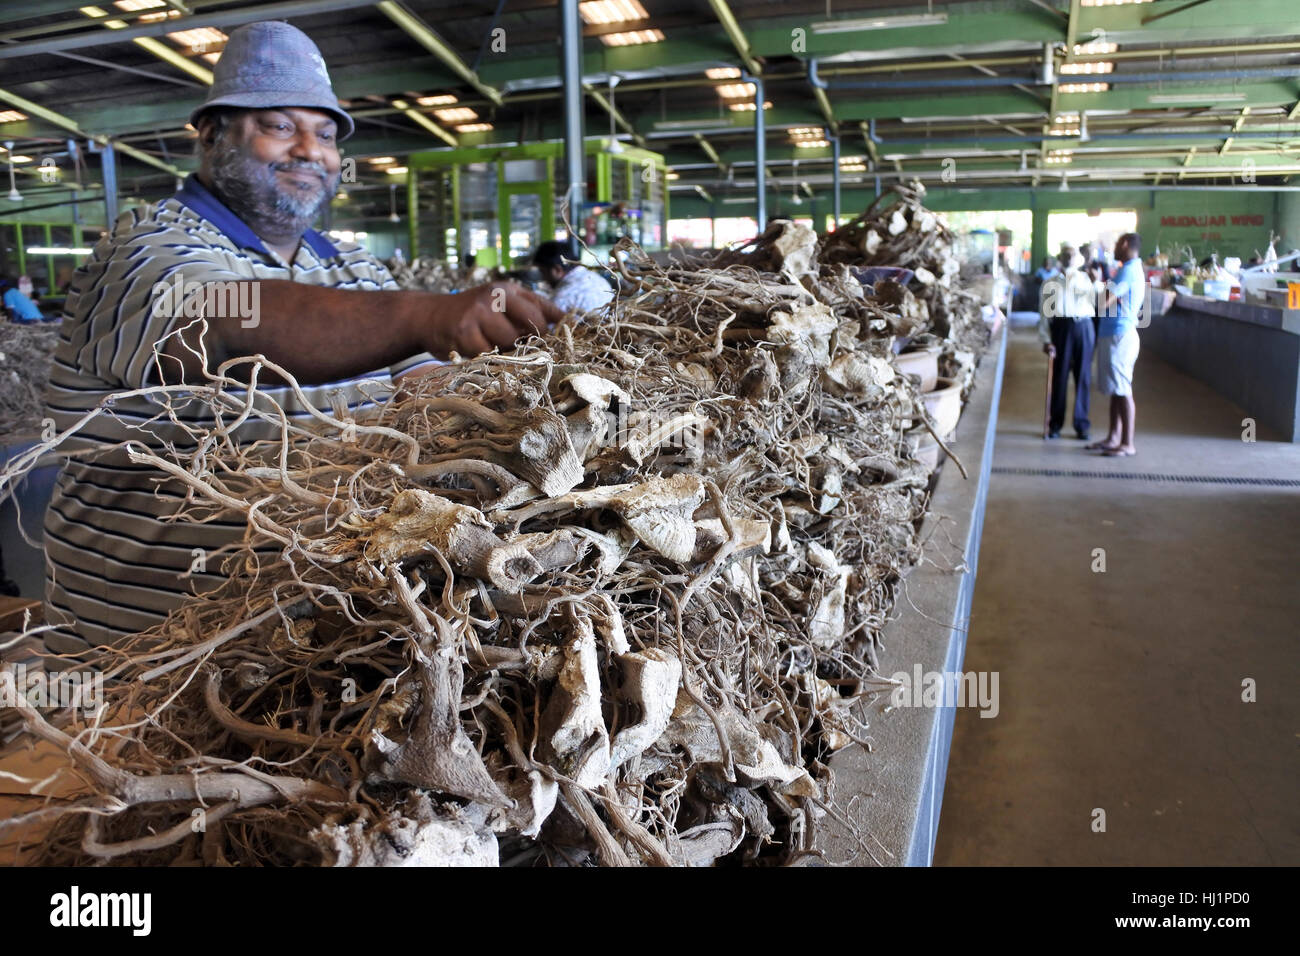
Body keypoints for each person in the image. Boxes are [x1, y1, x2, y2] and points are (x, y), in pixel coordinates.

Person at [39, 21, 563, 655]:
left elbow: (426, 393)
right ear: (212, 136)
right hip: (145, 649)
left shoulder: (355, 271)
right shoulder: (146, 250)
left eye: (325, 134)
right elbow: (226, 319)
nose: (309, 151)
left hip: (298, 643)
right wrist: (425, 315)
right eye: (280, 127)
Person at [1089, 232, 1144, 457]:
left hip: (1120, 336)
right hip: (1114, 333)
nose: (1114, 249)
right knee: (1116, 389)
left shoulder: (1128, 271)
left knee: (1123, 390)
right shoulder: (1127, 269)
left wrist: (1095, 284)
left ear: (1124, 244)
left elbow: (1104, 302)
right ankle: (1113, 437)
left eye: (1116, 245)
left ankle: (1127, 443)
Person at [1038, 248, 1095, 440]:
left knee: (1083, 377)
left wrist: (1099, 283)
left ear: (1077, 259)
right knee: (1059, 377)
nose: (1069, 258)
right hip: (1062, 329)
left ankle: (1081, 424)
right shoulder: (1050, 284)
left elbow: (1101, 303)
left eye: (1072, 254)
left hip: (1085, 327)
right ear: (1060, 259)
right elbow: (1045, 316)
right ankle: (1055, 424)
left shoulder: (1087, 280)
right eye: (1065, 254)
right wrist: (1046, 340)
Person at [533, 240, 615, 314]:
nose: (543, 278)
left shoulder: (564, 295)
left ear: (557, 270)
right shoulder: (597, 279)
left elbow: (545, 327)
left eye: (542, 272)